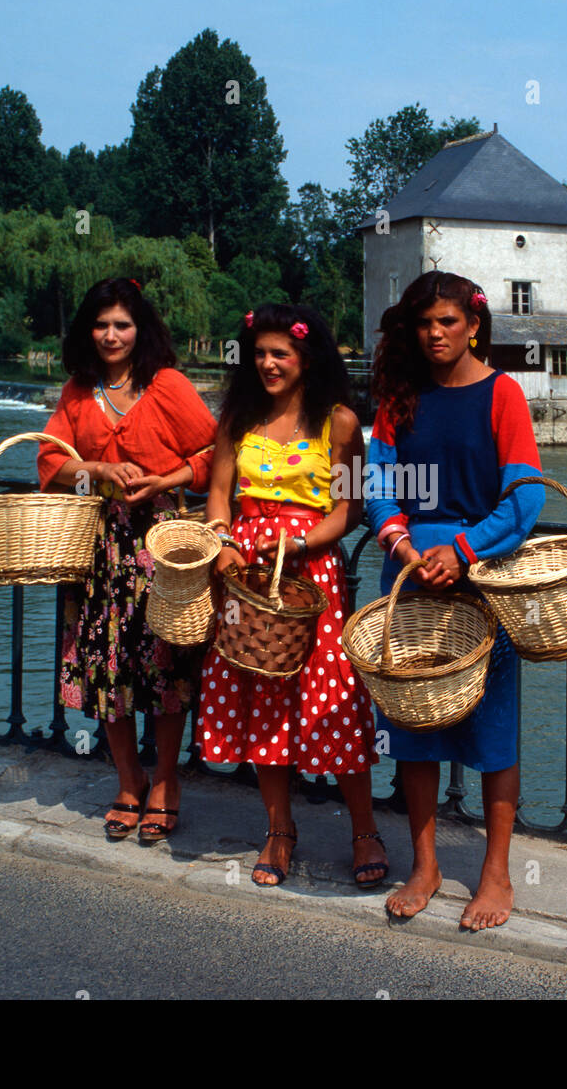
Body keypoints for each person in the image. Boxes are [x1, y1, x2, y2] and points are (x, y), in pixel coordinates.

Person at [366, 270, 545, 930]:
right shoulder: (398, 397)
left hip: (482, 580)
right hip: (409, 579)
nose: (436, 334)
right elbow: (378, 484)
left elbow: (526, 499)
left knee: (493, 727)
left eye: (448, 322)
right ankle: (426, 864)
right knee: (414, 722)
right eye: (424, 323)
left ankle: (496, 873)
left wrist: (463, 551)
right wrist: (405, 546)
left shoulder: (503, 394)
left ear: (474, 324)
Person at [199, 304, 388, 888]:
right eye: (259, 353)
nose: (268, 363)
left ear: (308, 358)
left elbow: (348, 510)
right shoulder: (237, 417)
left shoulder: (341, 424)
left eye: (280, 353)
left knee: (332, 698)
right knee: (260, 692)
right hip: (246, 573)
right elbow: (218, 496)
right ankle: (279, 831)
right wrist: (224, 542)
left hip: (310, 571)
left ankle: (365, 830)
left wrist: (297, 540)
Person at [37, 277, 217, 844]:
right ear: (86, 331)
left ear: (141, 330)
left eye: (122, 324)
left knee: (164, 661)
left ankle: (166, 782)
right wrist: (96, 471)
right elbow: (48, 460)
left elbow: (216, 455)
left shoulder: (168, 386)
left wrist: (166, 477)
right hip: (97, 548)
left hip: (163, 545)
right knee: (105, 662)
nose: (111, 335)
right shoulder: (76, 390)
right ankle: (128, 780)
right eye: (101, 324)